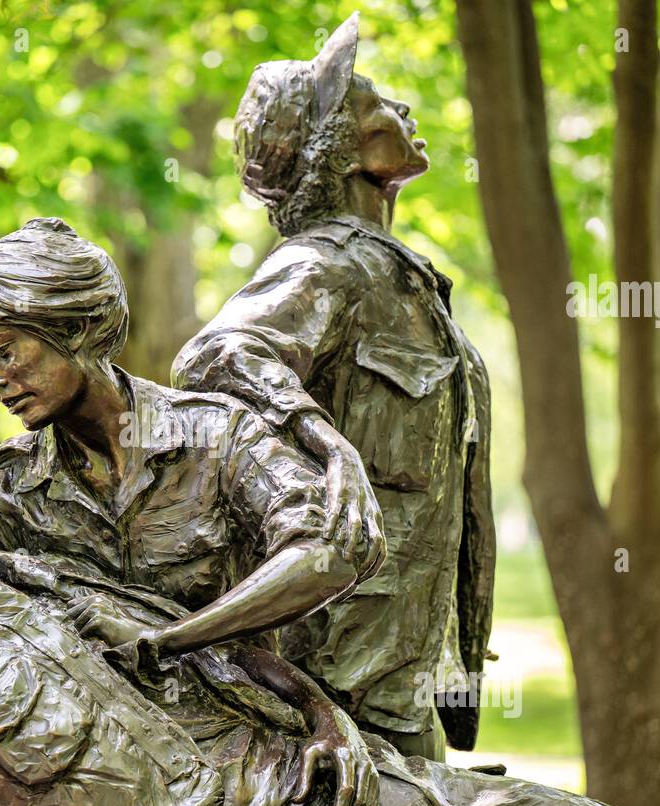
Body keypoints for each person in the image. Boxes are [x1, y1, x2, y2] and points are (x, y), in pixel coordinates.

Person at [0, 218, 660, 806]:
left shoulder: (216, 434)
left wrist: (235, 671)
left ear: (72, 322)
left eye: (5, 347)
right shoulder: (0, 498)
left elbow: (328, 551)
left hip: (294, 746)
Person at [172, 13, 495, 759]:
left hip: (404, 669)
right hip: (336, 673)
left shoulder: (402, 278)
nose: (403, 112)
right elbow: (216, 357)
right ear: (339, 146)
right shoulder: (325, 267)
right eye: (377, 102)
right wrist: (321, 439)